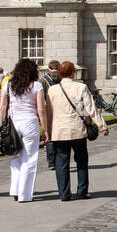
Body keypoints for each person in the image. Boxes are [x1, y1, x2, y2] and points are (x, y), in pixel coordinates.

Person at [45, 61, 109, 200]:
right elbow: (90, 108)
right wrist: (102, 125)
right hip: (77, 130)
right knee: (81, 161)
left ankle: (64, 193)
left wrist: (48, 131)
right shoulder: (81, 87)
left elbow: (49, 113)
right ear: (73, 72)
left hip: (59, 131)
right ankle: (82, 190)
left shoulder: (53, 90)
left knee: (61, 163)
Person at [0, 58, 47, 201]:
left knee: (16, 156)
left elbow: (2, 107)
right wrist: (46, 129)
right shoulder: (36, 86)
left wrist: (2, 126)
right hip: (30, 123)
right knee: (29, 158)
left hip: (13, 122)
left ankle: (15, 189)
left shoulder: (8, 84)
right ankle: (24, 194)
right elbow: (41, 109)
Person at [40, 58, 62, 170]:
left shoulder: (43, 81)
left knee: (49, 137)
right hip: (61, 111)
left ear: (48, 69)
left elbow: (41, 99)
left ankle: (51, 162)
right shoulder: (62, 79)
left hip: (49, 111)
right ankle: (59, 159)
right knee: (60, 136)